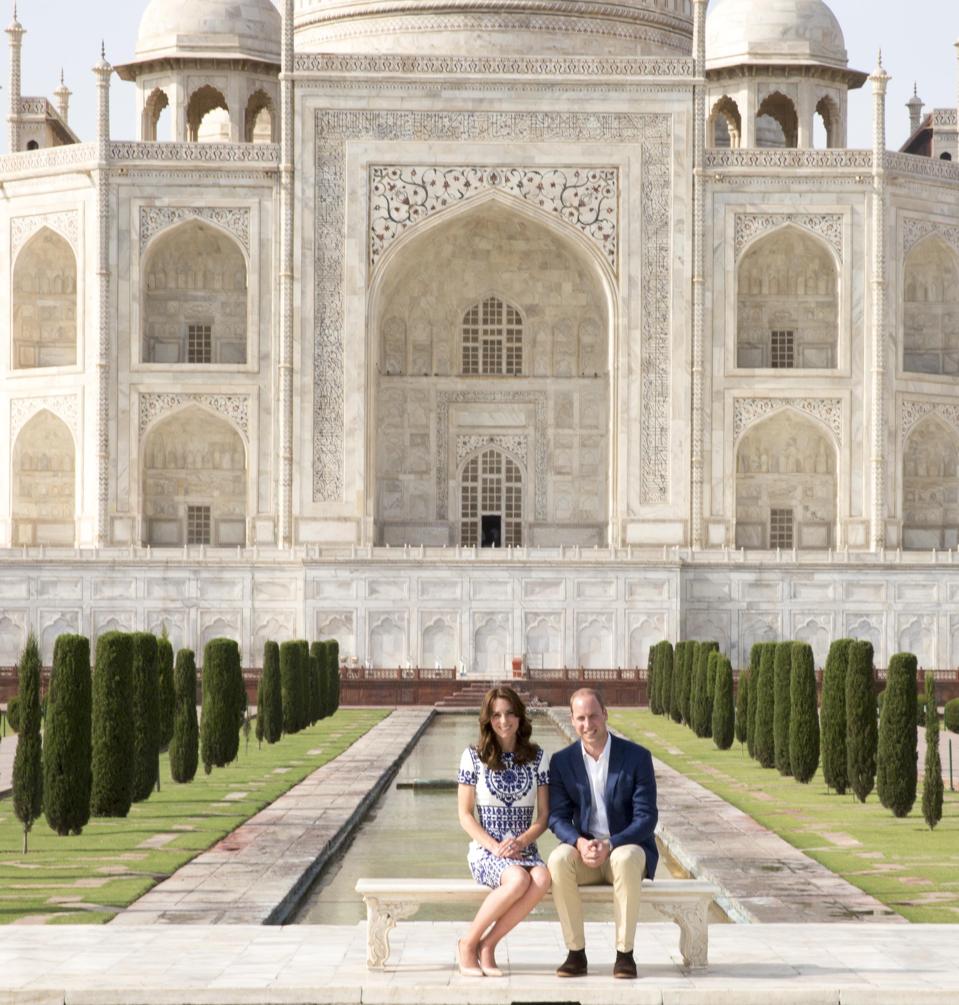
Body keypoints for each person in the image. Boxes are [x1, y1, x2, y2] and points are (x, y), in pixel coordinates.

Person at [547, 687, 658, 980]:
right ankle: (575, 953)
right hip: (586, 853)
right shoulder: (562, 762)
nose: (588, 725)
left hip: (625, 849)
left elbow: (647, 817)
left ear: (605, 714)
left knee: (624, 858)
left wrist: (611, 843)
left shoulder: (636, 757)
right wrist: (579, 843)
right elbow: (556, 817)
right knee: (558, 859)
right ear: (572, 720)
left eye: (593, 716)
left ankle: (625, 955)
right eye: (581, 718)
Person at [456, 685, 551, 977]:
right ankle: (468, 944)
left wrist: (521, 841)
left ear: (520, 717)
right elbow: (464, 815)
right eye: (496, 715)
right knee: (518, 879)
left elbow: (544, 816)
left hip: (524, 848)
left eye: (510, 713)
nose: (504, 721)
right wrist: (495, 846)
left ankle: (488, 945)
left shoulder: (537, 757)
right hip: (487, 850)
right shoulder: (473, 756)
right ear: (488, 719)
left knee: (543, 877)